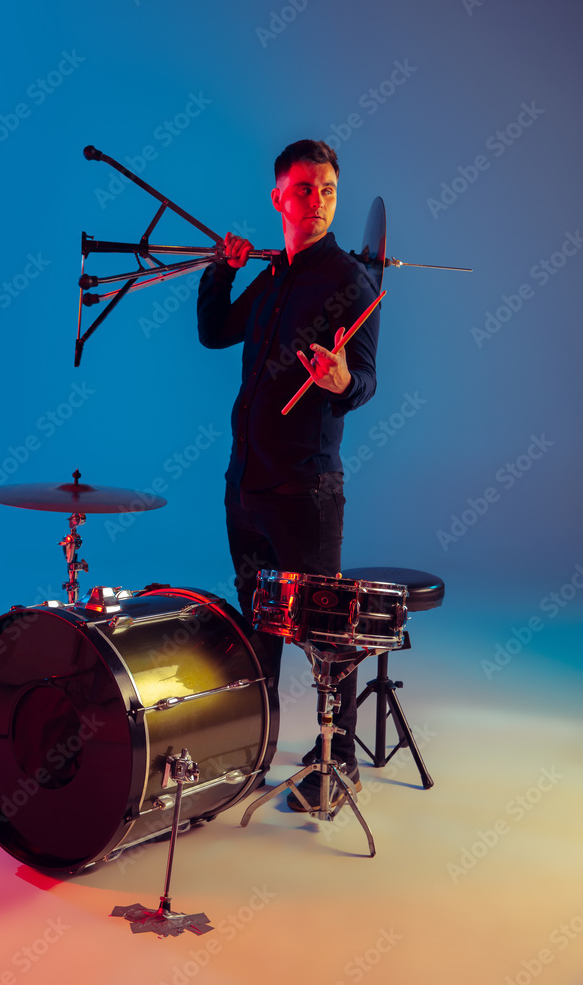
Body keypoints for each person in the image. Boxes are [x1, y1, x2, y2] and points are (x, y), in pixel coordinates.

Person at [197, 139, 380, 810]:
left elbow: (364, 380)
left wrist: (338, 381)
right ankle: (258, 749)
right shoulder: (273, 277)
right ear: (278, 196)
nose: (319, 200)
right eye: (304, 188)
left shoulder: (349, 283)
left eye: (328, 188)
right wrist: (219, 270)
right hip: (245, 483)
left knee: (325, 632)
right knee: (257, 627)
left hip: (307, 488)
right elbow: (215, 332)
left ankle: (337, 763)